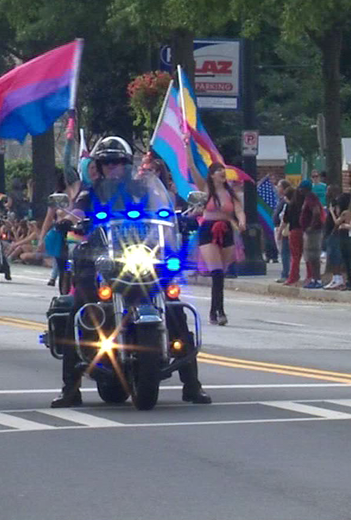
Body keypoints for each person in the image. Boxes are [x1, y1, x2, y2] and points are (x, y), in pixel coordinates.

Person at [50, 136, 210, 408]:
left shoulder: (142, 188)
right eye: (107, 162)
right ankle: (70, 389)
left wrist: (181, 219)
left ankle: (192, 385)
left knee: (174, 308)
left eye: (118, 162)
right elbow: (76, 211)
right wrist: (69, 219)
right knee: (81, 308)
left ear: (126, 164)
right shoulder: (92, 192)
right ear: (99, 166)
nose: (113, 167)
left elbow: (163, 210)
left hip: (144, 256)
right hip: (104, 259)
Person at [199, 163, 246, 325]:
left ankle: (214, 310)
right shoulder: (205, 189)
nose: (222, 173)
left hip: (226, 230)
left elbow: (239, 210)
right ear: (212, 175)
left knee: (221, 274)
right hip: (208, 230)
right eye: (218, 170)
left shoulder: (230, 193)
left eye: (222, 170)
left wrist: (241, 221)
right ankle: (219, 311)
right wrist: (187, 148)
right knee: (217, 272)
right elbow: (191, 168)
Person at [299, 181, 325, 288]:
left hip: (314, 232)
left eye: (301, 188)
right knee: (310, 257)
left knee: (314, 256)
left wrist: (311, 226)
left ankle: (317, 280)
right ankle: (314, 278)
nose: (300, 190)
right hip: (310, 231)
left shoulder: (311, 198)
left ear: (305, 189)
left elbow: (316, 212)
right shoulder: (308, 198)